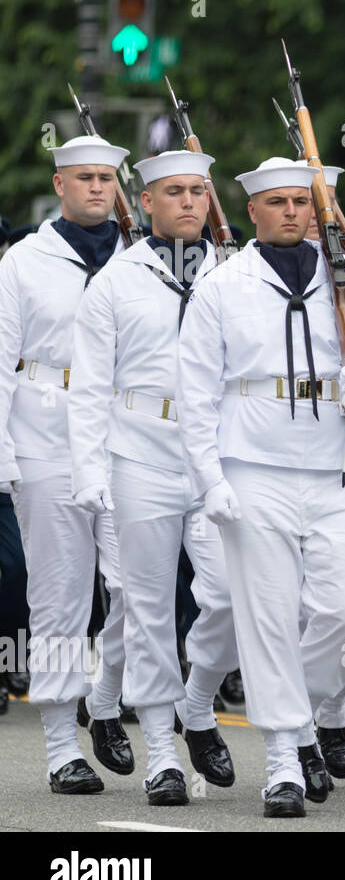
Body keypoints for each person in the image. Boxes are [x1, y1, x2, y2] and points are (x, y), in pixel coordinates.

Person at [177, 156, 345, 817]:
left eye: (301, 203)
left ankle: (298, 716)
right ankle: (282, 763)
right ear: (252, 212)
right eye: (276, 203)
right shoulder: (223, 285)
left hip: (336, 465)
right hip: (254, 467)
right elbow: (194, 394)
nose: (292, 213)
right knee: (267, 617)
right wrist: (210, 478)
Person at [68, 149, 241, 806]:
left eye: (199, 190)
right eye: (175, 192)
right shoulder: (115, 281)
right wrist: (90, 468)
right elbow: (88, 387)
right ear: (146, 203)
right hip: (139, 452)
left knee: (226, 595)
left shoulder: (233, 273)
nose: (191, 202)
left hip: (214, 458)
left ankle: (197, 706)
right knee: (146, 610)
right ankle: (164, 756)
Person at [0, 135, 133, 794]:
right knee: (57, 599)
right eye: (84, 178)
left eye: (107, 178)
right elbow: (0, 361)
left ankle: (104, 698)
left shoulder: (142, 260)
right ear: (59, 185)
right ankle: (61, 748)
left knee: (137, 588)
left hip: (124, 437)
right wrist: (3, 455)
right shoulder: (23, 262)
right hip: (45, 437)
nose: (97, 189)